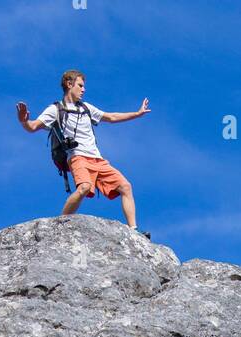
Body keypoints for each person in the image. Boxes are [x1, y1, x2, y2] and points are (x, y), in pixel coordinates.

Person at [17, 69, 150, 233]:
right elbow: (33, 127)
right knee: (84, 187)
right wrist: (24, 121)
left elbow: (111, 117)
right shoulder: (55, 109)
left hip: (98, 159)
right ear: (69, 84)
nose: (83, 89)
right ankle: (58, 227)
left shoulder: (86, 108)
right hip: (77, 157)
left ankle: (134, 231)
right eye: (80, 85)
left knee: (125, 186)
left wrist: (137, 114)